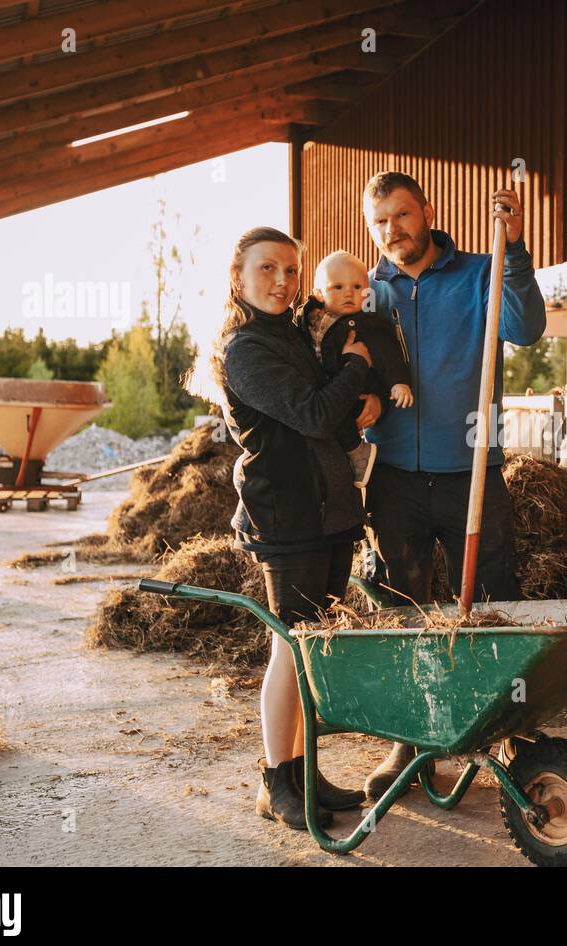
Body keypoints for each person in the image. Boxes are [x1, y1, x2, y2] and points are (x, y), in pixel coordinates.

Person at [359, 172, 547, 799]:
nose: (393, 230)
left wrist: (513, 247)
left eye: (403, 215)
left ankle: (511, 730)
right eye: (381, 220)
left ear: (428, 212)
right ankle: (408, 743)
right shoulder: (369, 292)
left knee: (497, 597)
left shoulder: (477, 271)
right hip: (393, 478)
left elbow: (524, 328)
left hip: (473, 470)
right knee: (402, 607)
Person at [186, 226, 376, 830]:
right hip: (287, 516)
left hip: (330, 511)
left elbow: (330, 409)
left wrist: (359, 397)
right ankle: (276, 781)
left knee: (311, 648)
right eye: (267, 269)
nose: (283, 282)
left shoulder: (291, 333)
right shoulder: (245, 349)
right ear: (238, 278)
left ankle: (303, 771)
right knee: (289, 648)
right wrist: (356, 369)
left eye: (291, 271)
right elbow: (314, 412)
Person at [302, 250, 414, 488]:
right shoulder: (305, 320)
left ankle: (358, 452)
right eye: (338, 287)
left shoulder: (368, 324)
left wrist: (398, 382)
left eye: (357, 287)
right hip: (322, 390)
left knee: (341, 416)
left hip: (357, 389)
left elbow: (388, 355)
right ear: (318, 293)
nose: (349, 294)